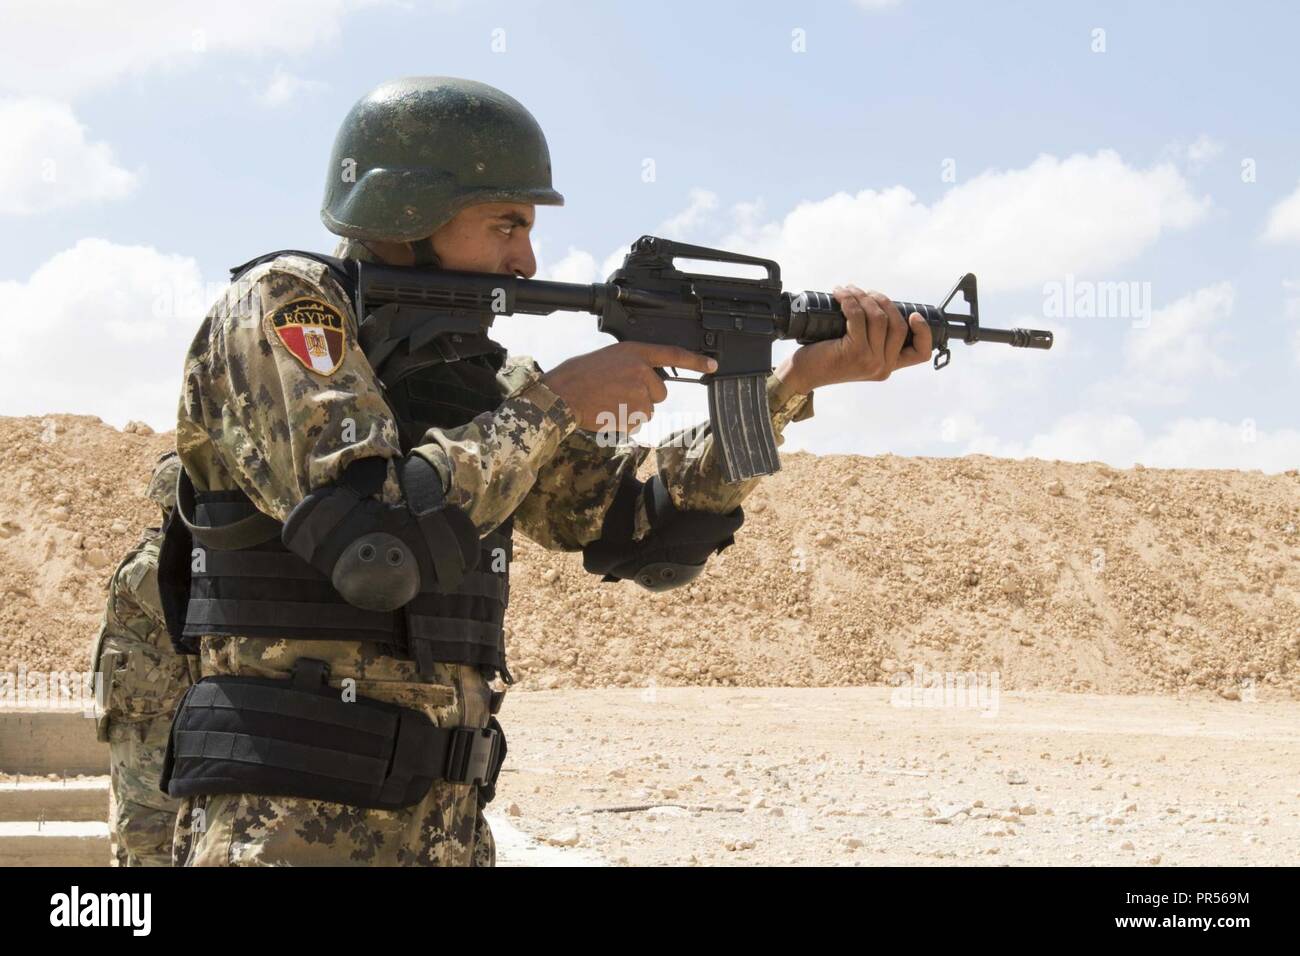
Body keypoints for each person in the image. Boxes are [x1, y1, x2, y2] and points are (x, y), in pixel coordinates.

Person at [161, 76, 933, 867]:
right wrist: (555, 403)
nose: (526, 258)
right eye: (507, 223)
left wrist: (788, 389)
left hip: (441, 834)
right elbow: (374, 546)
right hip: (285, 832)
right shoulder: (289, 306)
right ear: (408, 212)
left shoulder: (481, 379)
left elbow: (639, 526)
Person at [90, 451, 197, 866]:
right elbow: (200, 630)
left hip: (156, 729)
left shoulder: (171, 562)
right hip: (145, 735)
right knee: (150, 841)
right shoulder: (151, 569)